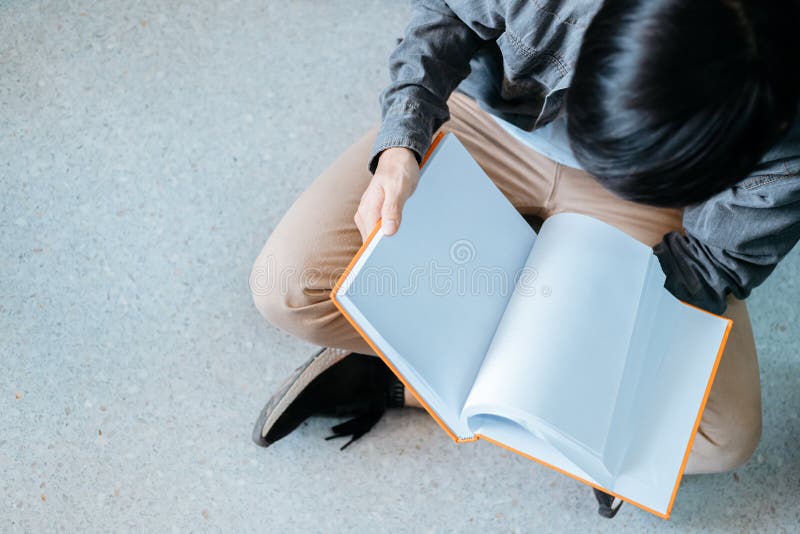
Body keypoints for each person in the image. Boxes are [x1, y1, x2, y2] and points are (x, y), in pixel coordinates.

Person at [249, 0, 800, 517]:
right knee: (287, 286)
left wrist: (600, 349)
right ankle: (490, 385)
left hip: (653, 205)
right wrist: (401, 144)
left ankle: (406, 378)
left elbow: (711, 261)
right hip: (493, 123)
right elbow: (445, 13)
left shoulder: (783, 126)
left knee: (724, 437)